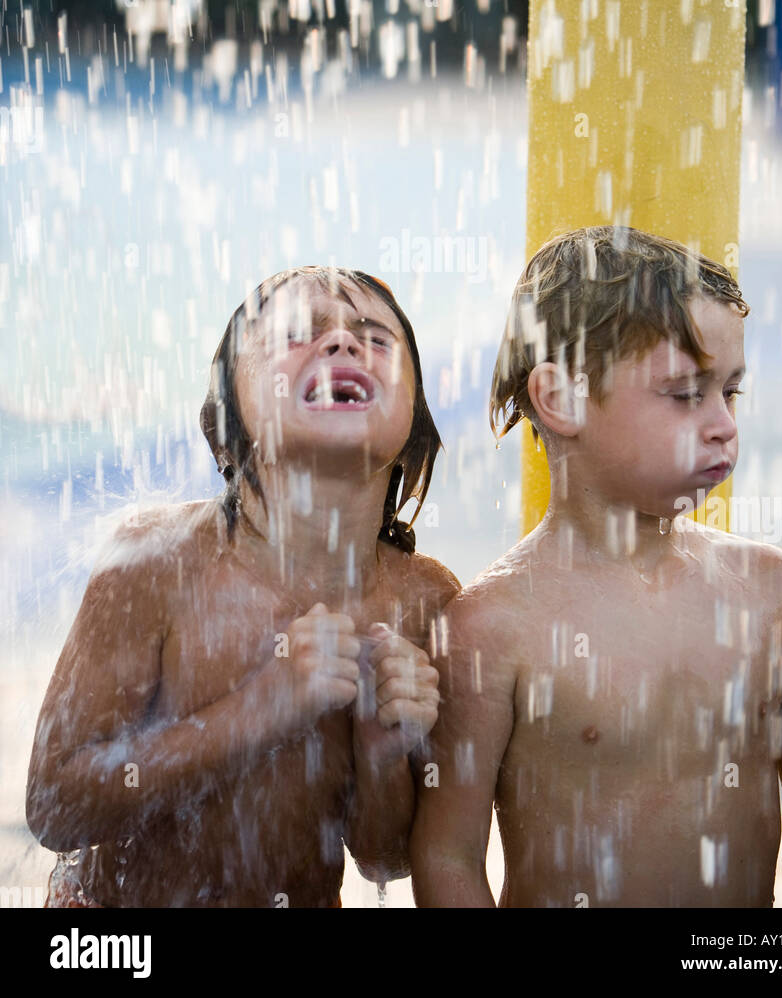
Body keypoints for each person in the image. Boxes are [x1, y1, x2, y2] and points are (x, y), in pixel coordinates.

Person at [410, 226, 782, 907]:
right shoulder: (492, 627)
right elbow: (447, 856)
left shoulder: (777, 594)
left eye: (730, 393)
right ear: (559, 399)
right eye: (685, 395)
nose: (723, 425)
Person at [28, 265, 459, 907]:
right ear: (228, 423)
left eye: (374, 337)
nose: (343, 342)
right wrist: (262, 707)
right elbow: (55, 808)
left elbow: (383, 857)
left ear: (414, 427)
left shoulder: (424, 600)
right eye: (296, 333)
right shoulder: (154, 564)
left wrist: (380, 752)